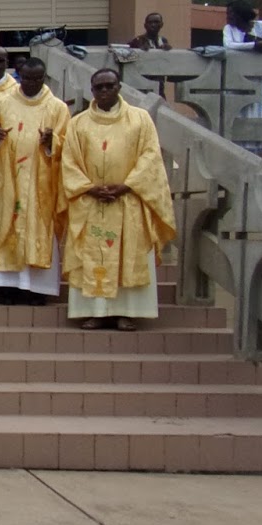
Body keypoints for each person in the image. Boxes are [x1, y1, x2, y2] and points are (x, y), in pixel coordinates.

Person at [60, 69, 176, 330]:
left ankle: (126, 312)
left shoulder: (140, 119)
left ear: (119, 86)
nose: (104, 92)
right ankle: (95, 312)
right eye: (98, 87)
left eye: (109, 86)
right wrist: (89, 188)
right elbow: (69, 162)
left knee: (128, 254)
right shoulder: (78, 123)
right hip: (91, 202)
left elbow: (150, 158)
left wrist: (126, 185)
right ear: (92, 90)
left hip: (128, 200)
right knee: (94, 256)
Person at [0, 56, 71, 306]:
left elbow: (69, 145)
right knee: (5, 223)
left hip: (40, 180)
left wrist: (53, 143)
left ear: (44, 78)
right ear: (19, 76)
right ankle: (6, 287)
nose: (31, 83)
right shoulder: (2, 103)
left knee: (37, 227)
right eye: (27, 78)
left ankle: (37, 288)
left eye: (37, 78)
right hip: (7, 177)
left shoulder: (57, 108)